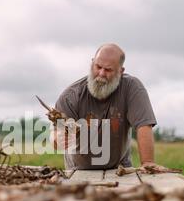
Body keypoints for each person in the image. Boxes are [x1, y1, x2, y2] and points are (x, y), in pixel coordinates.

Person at [52, 43, 165, 171]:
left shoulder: (132, 88)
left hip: (120, 169)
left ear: (121, 71)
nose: (101, 74)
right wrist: (58, 138)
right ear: (92, 63)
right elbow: (57, 134)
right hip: (78, 171)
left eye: (108, 70)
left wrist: (148, 163)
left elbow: (143, 125)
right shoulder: (70, 96)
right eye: (98, 67)